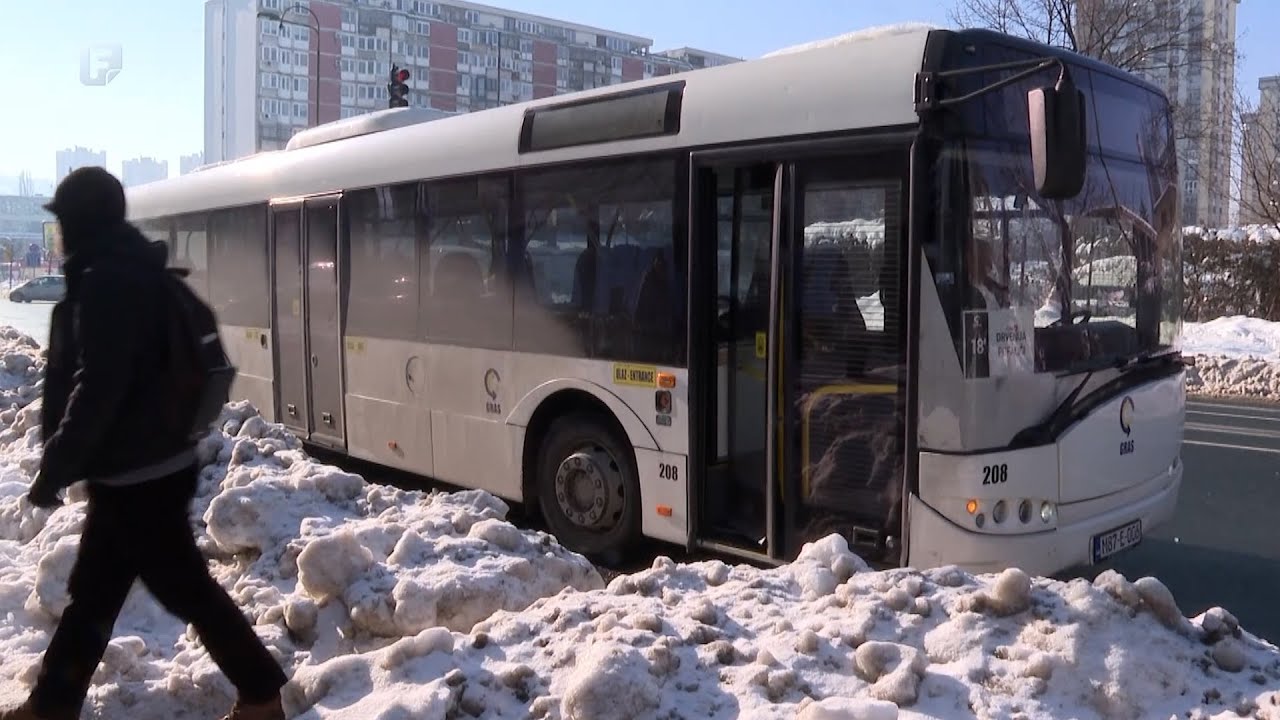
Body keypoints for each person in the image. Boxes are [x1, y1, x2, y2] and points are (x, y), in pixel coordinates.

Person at [0, 167, 289, 720]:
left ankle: (260, 695)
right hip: (146, 463)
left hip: (139, 470)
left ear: (79, 222)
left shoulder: (111, 280)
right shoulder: (128, 269)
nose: (58, 234)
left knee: (180, 590)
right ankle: (53, 703)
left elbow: (100, 385)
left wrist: (58, 463)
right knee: (98, 593)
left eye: (62, 222)